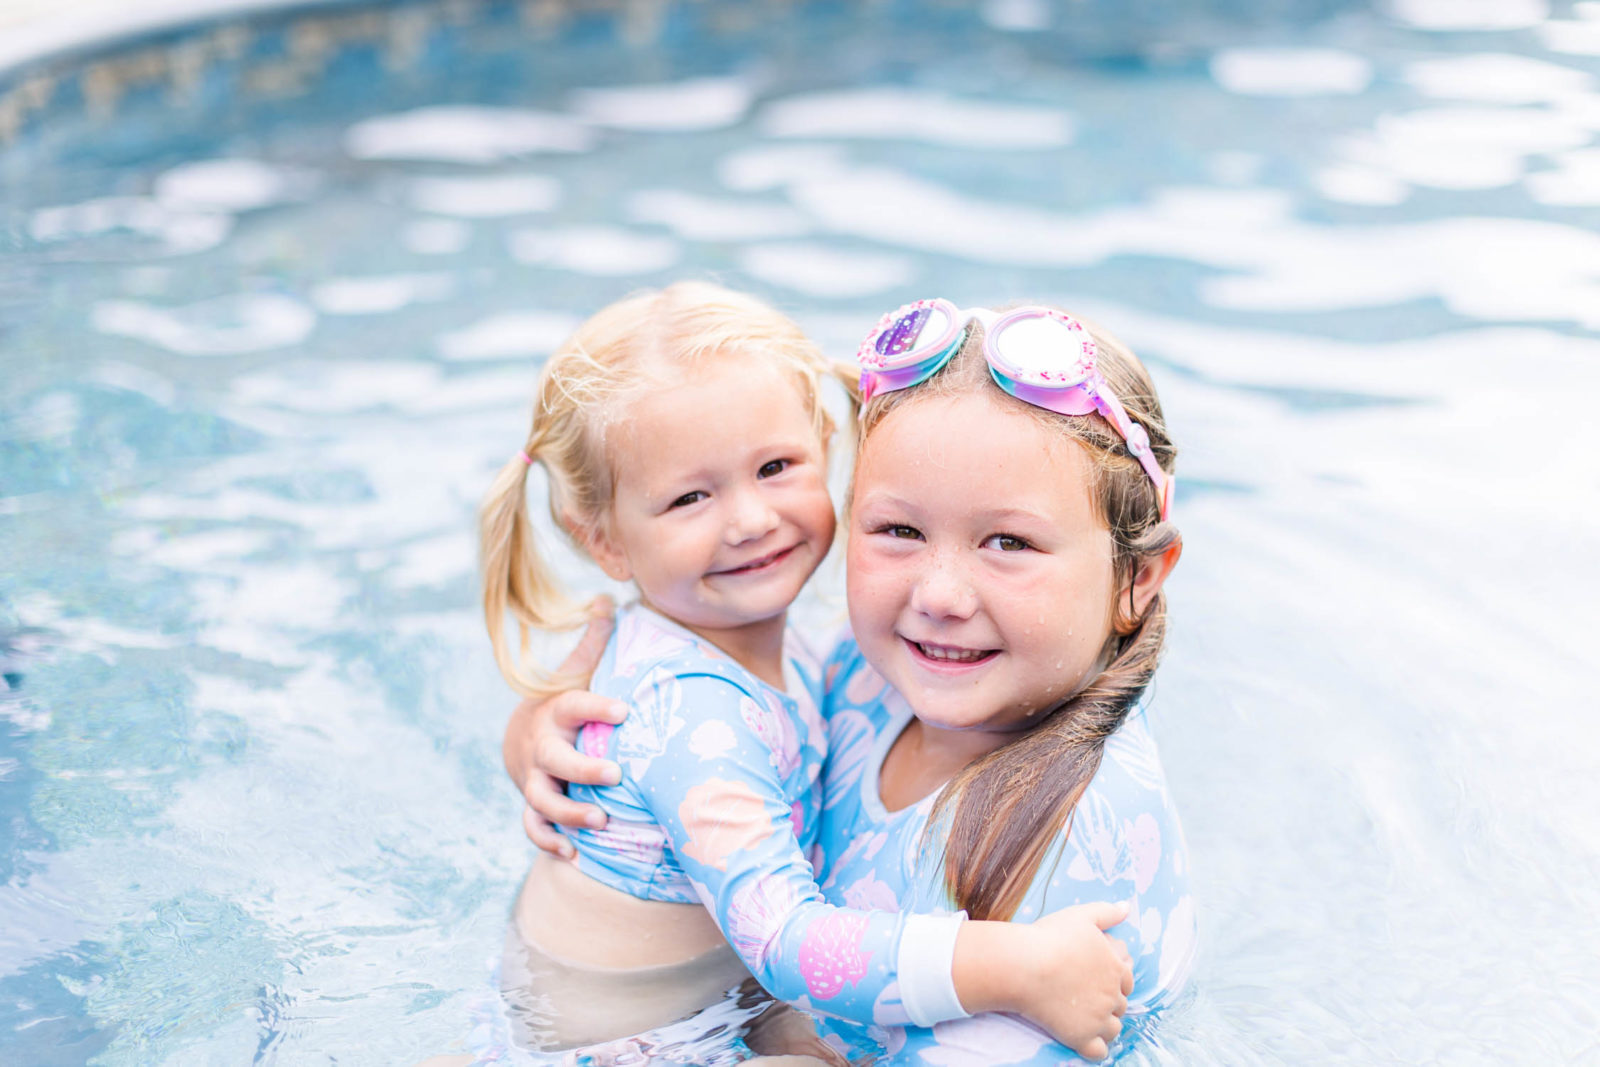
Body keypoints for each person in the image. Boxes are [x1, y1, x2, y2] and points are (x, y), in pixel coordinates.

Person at [509, 299, 1197, 1064]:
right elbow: (775, 925)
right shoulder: (855, 679)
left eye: (1009, 541)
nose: (939, 596)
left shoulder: (1088, 829)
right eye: (900, 530)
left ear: (1136, 578)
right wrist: (536, 731)